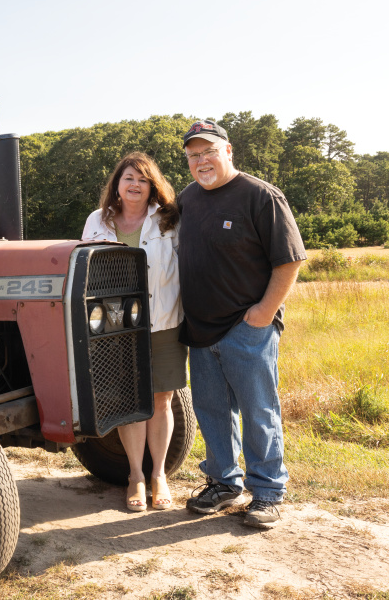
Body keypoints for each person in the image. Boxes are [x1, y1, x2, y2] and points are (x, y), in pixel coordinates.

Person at [177, 119, 307, 529]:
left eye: (208, 152)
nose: (201, 161)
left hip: (247, 327)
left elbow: (289, 259)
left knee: (258, 409)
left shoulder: (260, 195)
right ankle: (223, 483)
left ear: (228, 151)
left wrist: (264, 313)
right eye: (193, 155)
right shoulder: (187, 199)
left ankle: (267, 492)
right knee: (211, 409)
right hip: (199, 327)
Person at [82, 152, 186, 512]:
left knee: (160, 400)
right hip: (114, 327)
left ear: (152, 184)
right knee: (128, 401)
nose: (135, 185)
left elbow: (185, 265)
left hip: (162, 320)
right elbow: (84, 271)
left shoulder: (169, 219)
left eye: (142, 179)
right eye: (128, 178)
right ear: (117, 184)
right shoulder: (97, 220)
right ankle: (135, 477)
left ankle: (158, 473)